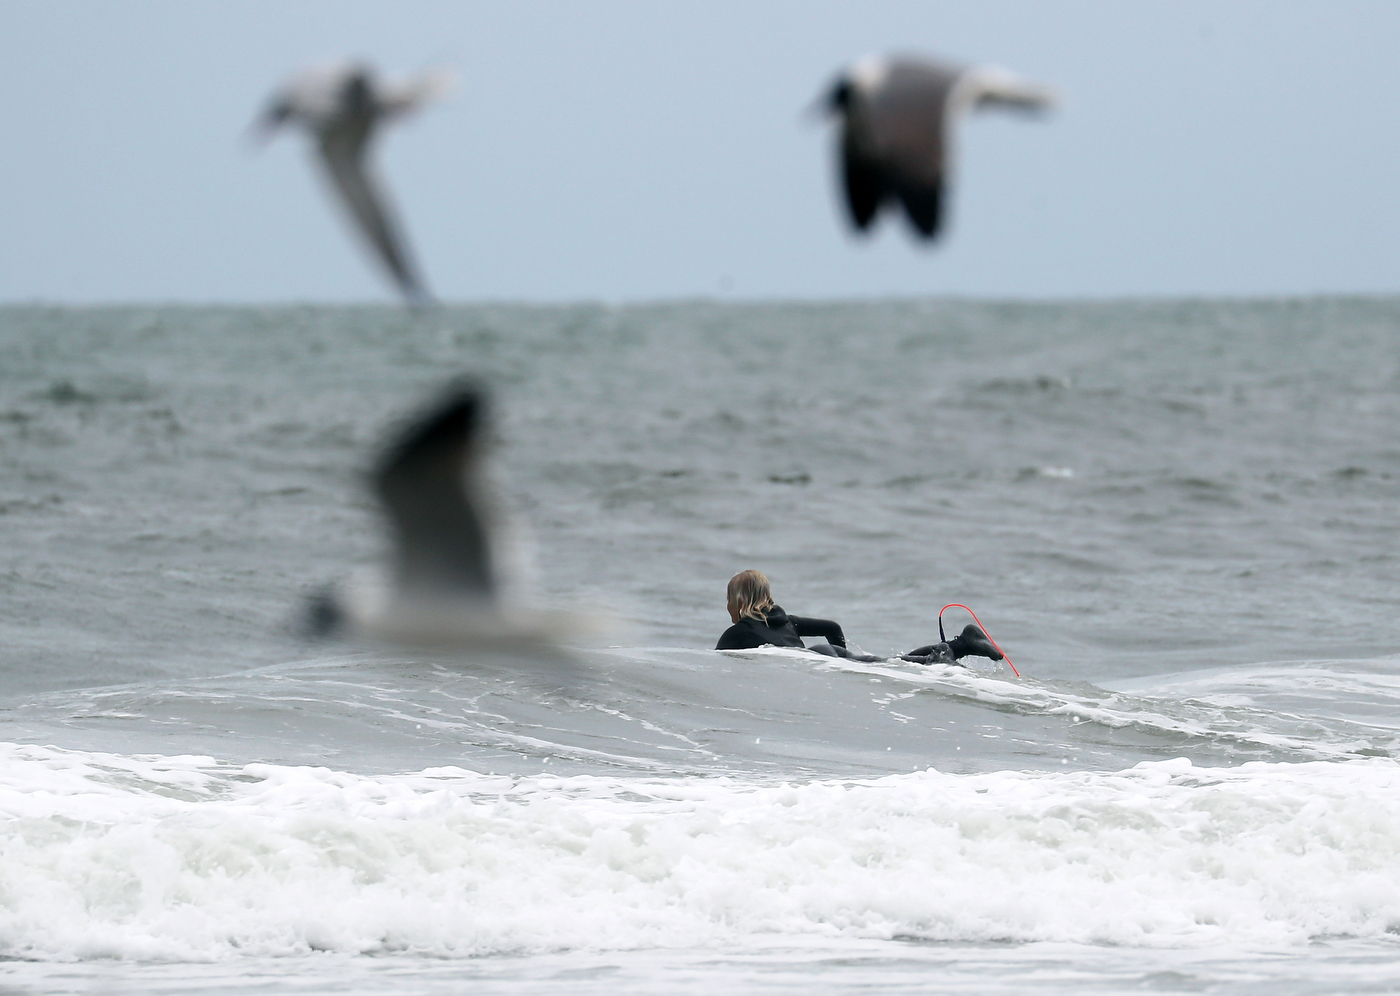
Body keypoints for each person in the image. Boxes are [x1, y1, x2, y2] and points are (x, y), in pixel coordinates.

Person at [714, 569, 1004, 665]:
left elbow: (716, 671)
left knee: (894, 666)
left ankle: (948, 652)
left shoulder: (736, 634)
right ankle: (962, 645)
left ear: (739, 601)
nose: (727, 606)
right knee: (894, 664)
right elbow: (832, 627)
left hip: (821, 660)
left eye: (728, 599)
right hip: (829, 654)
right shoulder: (785, 620)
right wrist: (843, 657)